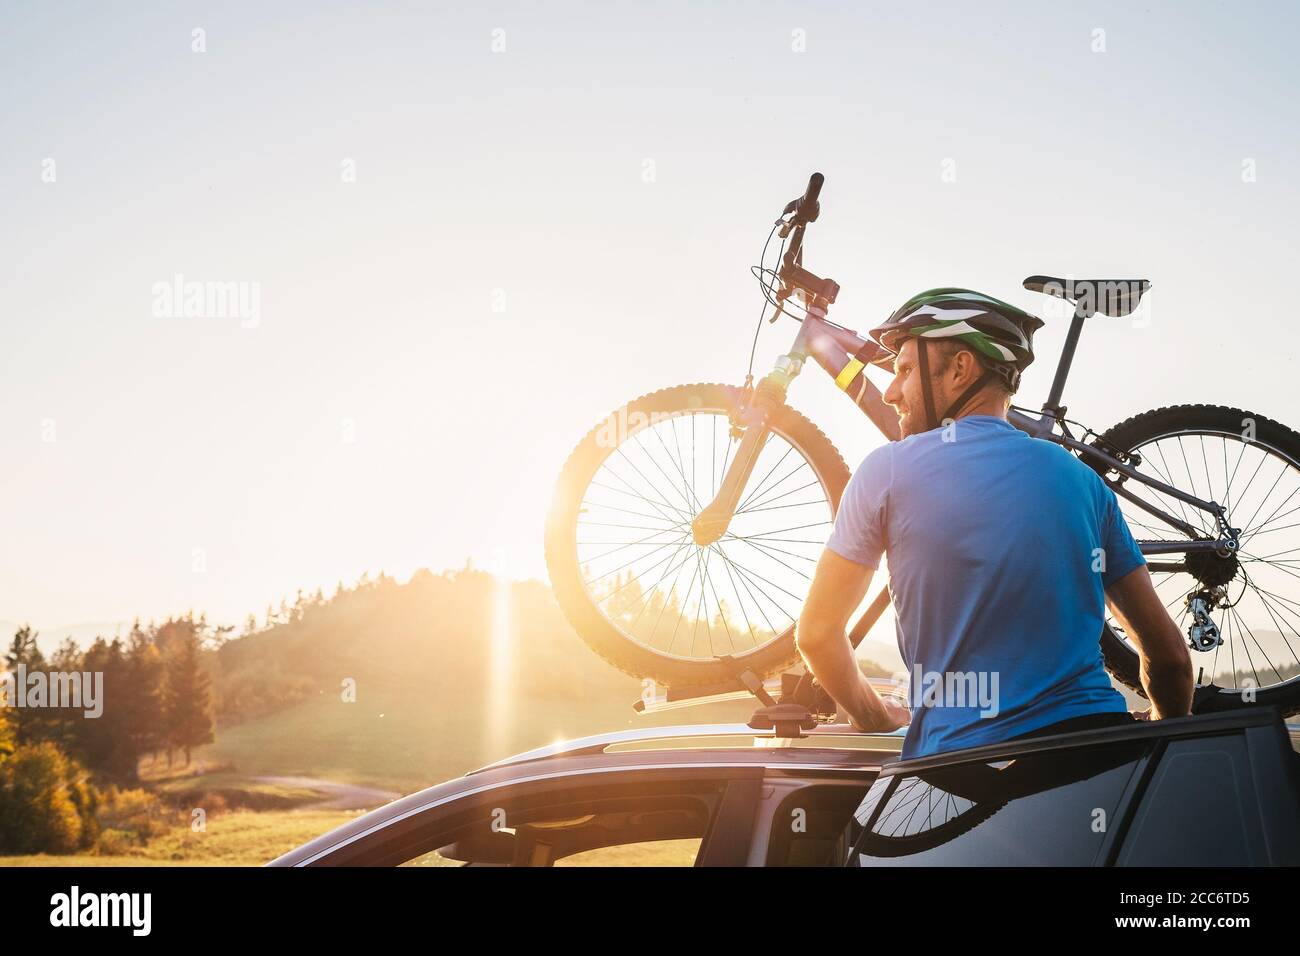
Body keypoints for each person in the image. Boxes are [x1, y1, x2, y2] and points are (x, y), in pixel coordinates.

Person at [794, 288, 1194, 759]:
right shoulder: (1084, 481)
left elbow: (817, 635)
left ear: (961, 368)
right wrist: (1164, 749)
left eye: (903, 369)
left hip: (959, 774)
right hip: (1097, 757)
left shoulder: (887, 470)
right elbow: (1168, 659)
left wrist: (875, 715)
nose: (890, 390)